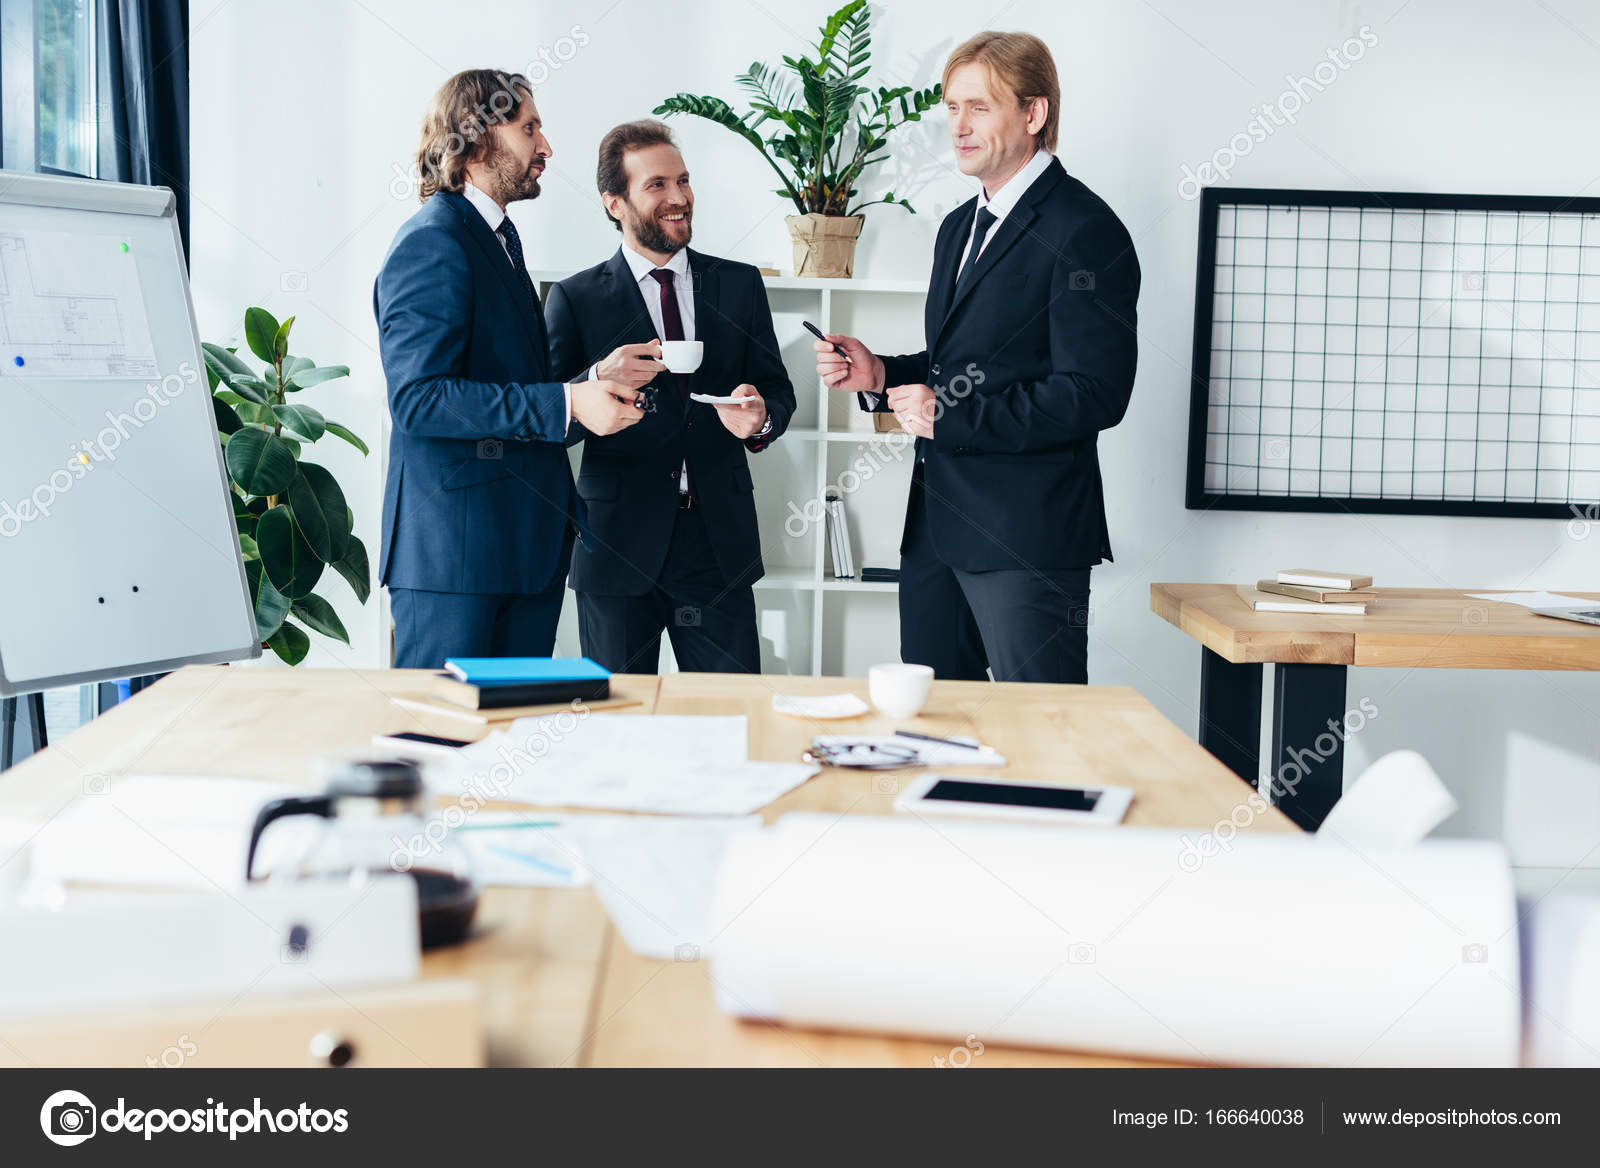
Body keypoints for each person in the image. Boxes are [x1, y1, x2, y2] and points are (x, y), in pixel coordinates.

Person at [813, 31, 1140, 684]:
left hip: (1026, 539)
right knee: (939, 724)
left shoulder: (1085, 230)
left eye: (978, 107)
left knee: (1040, 731)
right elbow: (958, 362)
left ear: (1034, 113)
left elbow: (1095, 392)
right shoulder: (959, 226)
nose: (958, 127)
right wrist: (880, 374)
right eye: (951, 108)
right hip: (936, 535)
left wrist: (953, 417)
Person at [374, 69, 642, 667]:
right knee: (441, 748)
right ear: (475, 139)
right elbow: (419, 399)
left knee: (509, 743)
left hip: (522, 554)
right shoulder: (433, 241)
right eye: (529, 129)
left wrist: (591, 386)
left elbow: (507, 389)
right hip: (455, 562)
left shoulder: (498, 239)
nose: (545, 147)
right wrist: (570, 403)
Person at [545, 120, 796, 674]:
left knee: (731, 720)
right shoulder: (575, 298)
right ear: (615, 203)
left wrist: (759, 419)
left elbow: (778, 394)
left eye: (683, 181)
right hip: (615, 546)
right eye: (656, 185)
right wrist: (594, 384)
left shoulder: (739, 285)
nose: (678, 198)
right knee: (618, 721)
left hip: (716, 545)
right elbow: (552, 423)